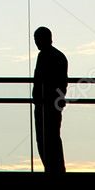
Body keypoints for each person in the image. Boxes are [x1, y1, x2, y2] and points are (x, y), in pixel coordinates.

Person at [32, 26, 68, 174]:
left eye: (37, 39)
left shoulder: (50, 56)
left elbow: (58, 83)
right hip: (48, 104)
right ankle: (54, 169)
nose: (36, 43)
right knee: (49, 138)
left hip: (47, 105)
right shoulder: (56, 56)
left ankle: (54, 170)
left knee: (47, 139)